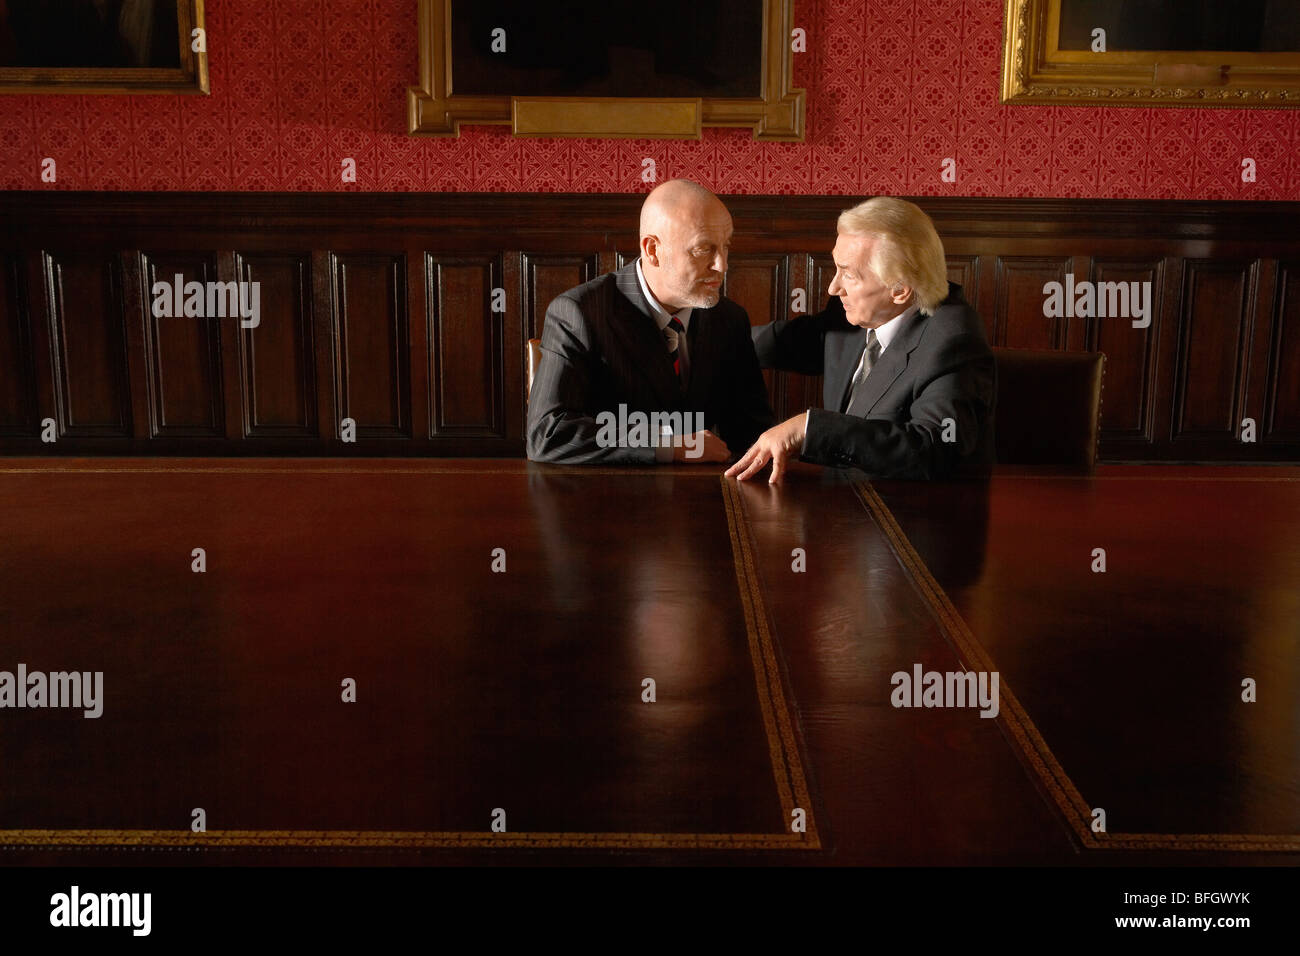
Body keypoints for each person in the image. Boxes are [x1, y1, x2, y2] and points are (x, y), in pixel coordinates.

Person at [726, 197, 995, 483]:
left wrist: (810, 428)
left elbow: (934, 449)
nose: (833, 287)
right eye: (836, 268)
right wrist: (708, 339)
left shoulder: (954, 341)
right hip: (847, 504)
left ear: (900, 289)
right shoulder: (857, 313)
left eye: (849, 274)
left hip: (913, 517)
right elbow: (784, 342)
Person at [527, 179, 774, 464]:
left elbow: (753, 432)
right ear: (653, 250)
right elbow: (547, 433)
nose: (722, 265)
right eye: (703, 249)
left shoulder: (729, 319)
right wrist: (669, 444)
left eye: (725, 246)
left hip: (703, 498)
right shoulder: (579, 313)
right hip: (605, 496)